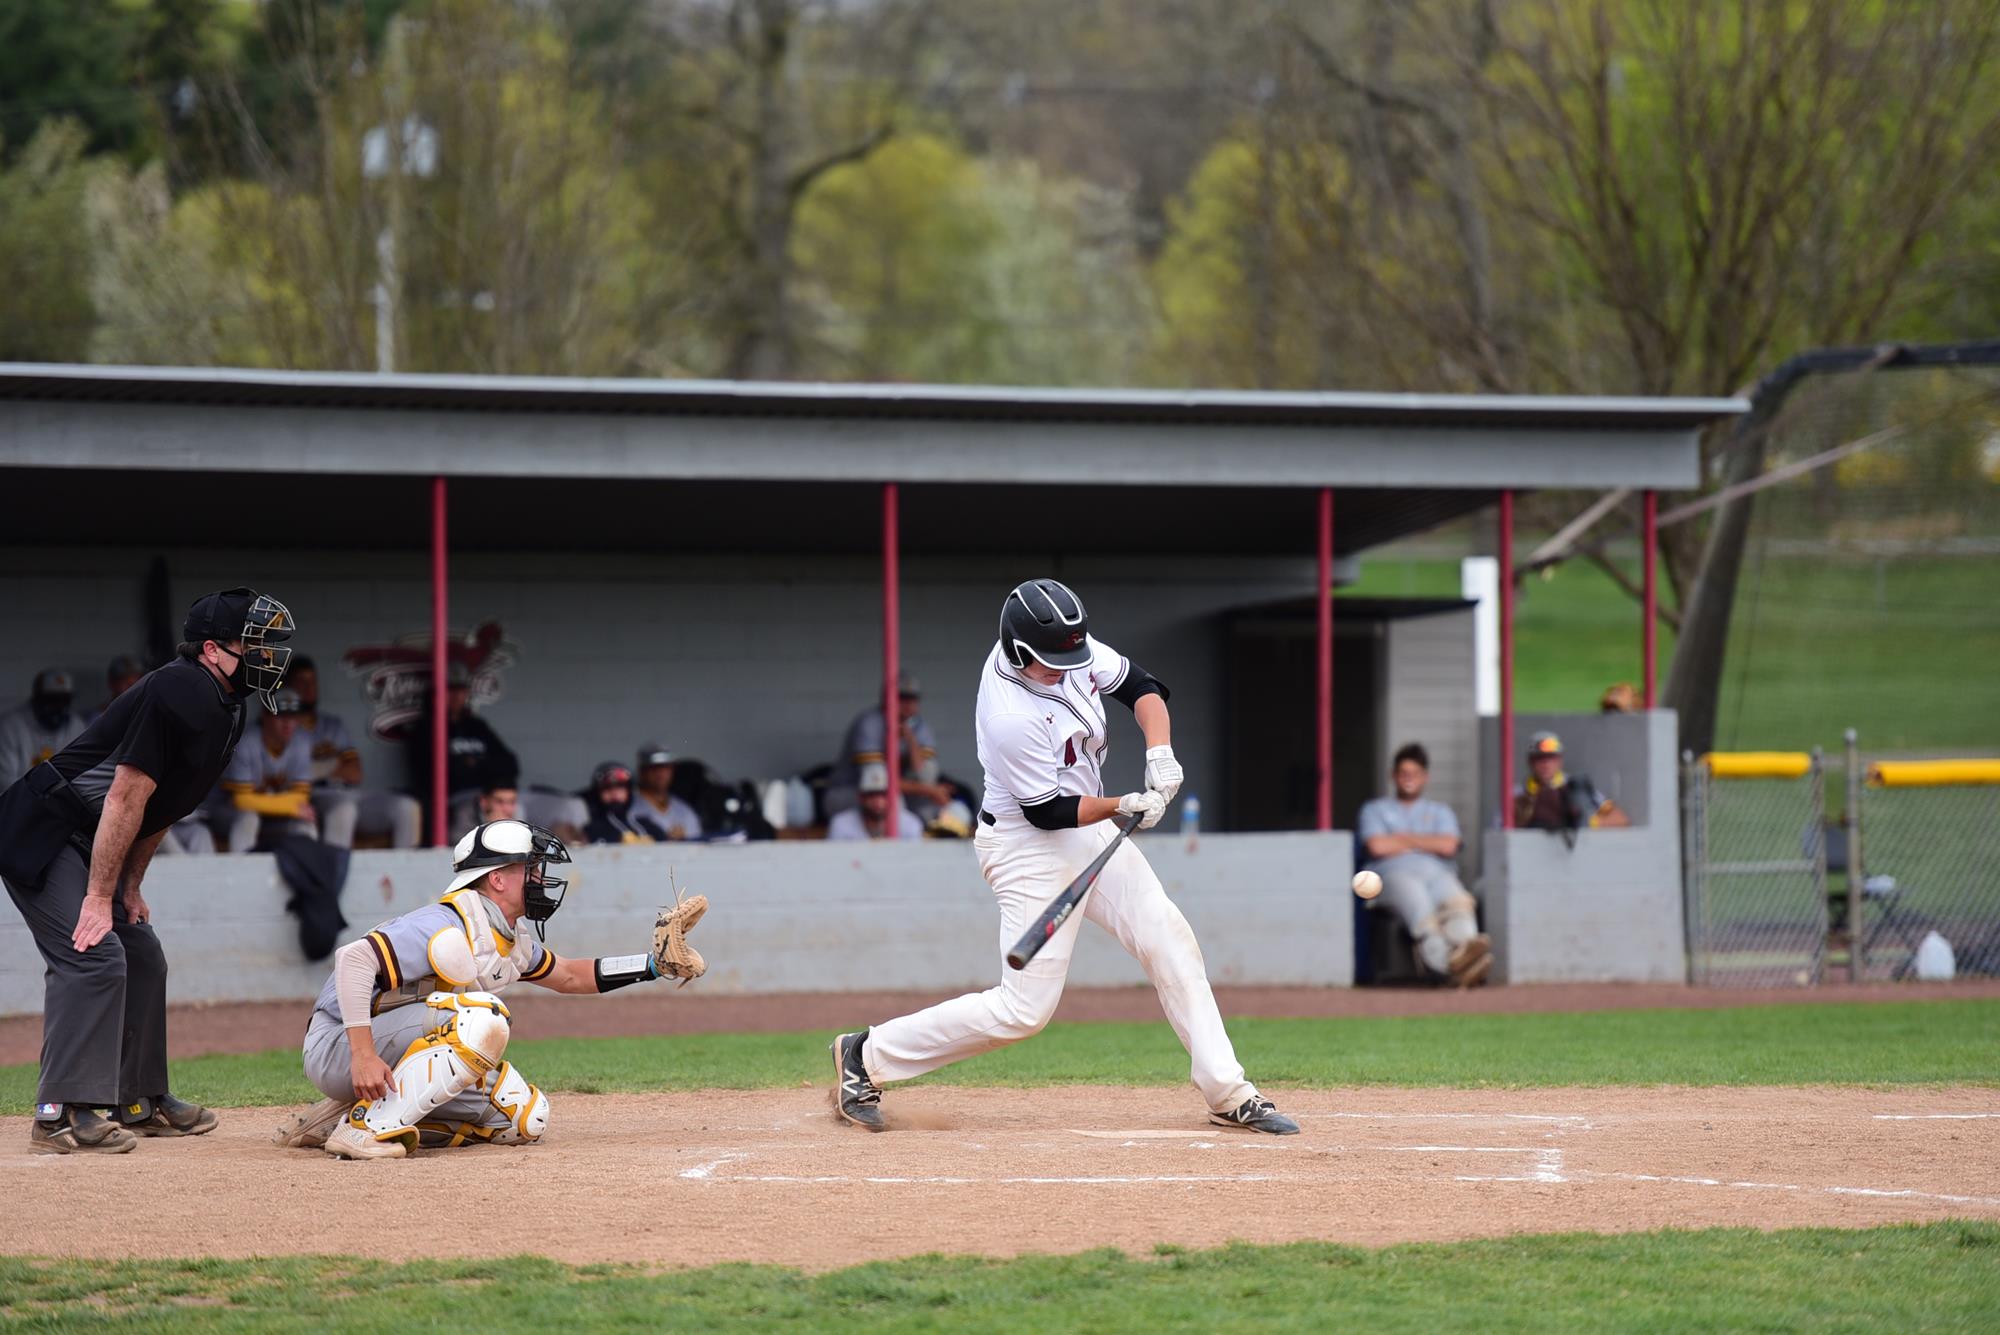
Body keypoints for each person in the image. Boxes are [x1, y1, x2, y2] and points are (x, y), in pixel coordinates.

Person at [831, 578, 1298, 1135]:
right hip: (1026, 844)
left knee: (1166, 934)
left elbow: (1142, 687)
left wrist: (1161, 752)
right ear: (1018, 650)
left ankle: (1228, 1091)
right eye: (1053, 660)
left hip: (1088, 828)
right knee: (1023, 1012)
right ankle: (866, 1053)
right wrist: (1122, 803)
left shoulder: (1065, 650)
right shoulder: (1008, 714)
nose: (1068, 667)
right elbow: (1047, 812)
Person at [0, 587, 293, 1153]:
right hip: (46, 830)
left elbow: (168, 804)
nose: (267, 656)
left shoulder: (228, 704)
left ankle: (135, 1100)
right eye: (252, 644)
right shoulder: (181, 688)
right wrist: (96, 896)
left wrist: (127, 886)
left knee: (142, 953)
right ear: (212, 650)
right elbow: (126, 795)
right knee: (94, 956)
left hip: (92, 836)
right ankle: (59, 1112)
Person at [271, 818, 705, 1159]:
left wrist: (653, 966)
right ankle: (362, 1131)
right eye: (530, 869)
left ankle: (348, 1116)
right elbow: (353, 959)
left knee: (524, 1119)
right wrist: (362, 1055)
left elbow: (572, 975)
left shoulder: (505, 937)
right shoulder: (445, 922)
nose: (540, 878)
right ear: (497, 879)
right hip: (338, 1047)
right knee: (482, 1017)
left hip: (384, 1051)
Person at [1357, 743, 1490, 987]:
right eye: (1403, 773)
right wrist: (1426, 842)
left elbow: (1449, 845)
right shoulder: (1375, 809)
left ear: (1424, 777)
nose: (1409, 779)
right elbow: (1377, 847)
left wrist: (1400, 839)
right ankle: (1446, 966)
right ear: (1393, 776)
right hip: (1391, 876)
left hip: (1437, 874)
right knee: (1419, 904)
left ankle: (1467, 956)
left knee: (1458, 901)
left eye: (1414, 774)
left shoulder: (1439, 811)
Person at [290, 656, 421, 849]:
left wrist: (318, 769)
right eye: (302, 682)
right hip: (315, 798)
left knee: (406, 807)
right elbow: (293, 776)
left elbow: (355, 773)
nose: (309, 687)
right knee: (344, 809)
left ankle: (405, 875)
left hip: (348, 793)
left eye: (312, 681)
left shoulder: (332, 725)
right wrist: (334, 765)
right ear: (288, 686)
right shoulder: (282, 728)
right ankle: (332, 875)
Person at [92, 656, 215, 855]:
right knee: (164, 839)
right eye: (126, 680)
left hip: (158, 808)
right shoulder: (101, 720)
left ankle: (208, 884)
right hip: (118, 806)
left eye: (137, 679)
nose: (133, 685)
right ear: (112, 684)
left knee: (200, 834)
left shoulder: (157, 715)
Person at [825, 671, 964, 827]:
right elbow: (877, 782)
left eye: (913, 698)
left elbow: (924, 774)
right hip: (849, 793)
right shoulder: (870, 724)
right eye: (902, 697)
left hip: (901, 793)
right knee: (894, 802)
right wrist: (930, 790)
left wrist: (910, 739)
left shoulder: (919, 727)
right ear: (886, 698)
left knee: (949, 811)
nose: (908, 703)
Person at [408, 661, 519, 832]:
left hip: (489, 794)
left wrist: (475, 764)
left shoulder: (476, 726)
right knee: (474, 813)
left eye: (461, 690)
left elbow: (510, 764)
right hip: (454, 800)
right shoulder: (425, 728)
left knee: (515, 807)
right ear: (436, 693)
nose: (456, 696)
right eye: (450, 690)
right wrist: (481, 766)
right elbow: (437, 773)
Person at [220, 688, 318, 851]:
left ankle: (306, 872)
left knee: (306, 823)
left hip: (272, 815)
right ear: (265, 717)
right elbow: (241, 800)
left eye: (292, 716)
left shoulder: (302, 741)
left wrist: (292, 806)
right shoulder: (246, 742)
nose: (287, 723)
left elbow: (301, 797)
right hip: (227, 812)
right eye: (280, 715)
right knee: (248, 818)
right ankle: (241, 872)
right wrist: (290, 805)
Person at [1514, 731, 1631, 845]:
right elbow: (1499, 830)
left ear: (1560, 761)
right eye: (1540, 758)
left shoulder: (1575, 787)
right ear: (1530, 762)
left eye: (1551, 757)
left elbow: (1621, 819)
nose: (1546, 764)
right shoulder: (1517, 794)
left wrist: (1586, 822)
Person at [0, 669, 87, 784]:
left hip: (62, 799)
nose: (59, 707)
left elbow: (82, 776)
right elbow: (6, 783)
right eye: (52, 700)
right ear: (37, 699)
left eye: (64, 701)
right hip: (20, 799)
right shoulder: (10, 726)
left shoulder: (76, 726)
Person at [827, 762, 923, 841]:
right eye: (871, 795)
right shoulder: (841, 823)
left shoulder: (910, 823)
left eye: (883, 794)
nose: (878, 801)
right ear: (861, 797)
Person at [629, 744, 702, 841]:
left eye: (665, 767)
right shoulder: (629, 806)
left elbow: (698, 846)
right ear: (642, 771)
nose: (660, 773)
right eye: (654, 767)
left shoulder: (684, 810)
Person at [582, 761, 653, 843]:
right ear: (597, 792)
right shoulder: (590, 830)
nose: (614, 793)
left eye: (620, 786)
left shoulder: (647, 825)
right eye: (607, 787)